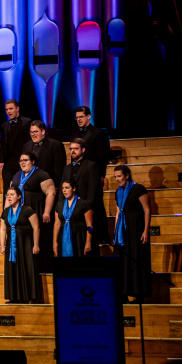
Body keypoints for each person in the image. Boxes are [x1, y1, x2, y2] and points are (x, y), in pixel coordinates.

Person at [112, 165, 152, 301]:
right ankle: (123, 293)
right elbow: (118, 212)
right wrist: (115, 232)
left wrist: (146, 230)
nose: (117, 179)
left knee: (136, 260)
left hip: (136, 230)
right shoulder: (118, 191)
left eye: (119, 176)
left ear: (127, 175)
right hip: (123, 232)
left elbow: (147, 209)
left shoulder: (138, 189)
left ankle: (139, 294)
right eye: (115, 177)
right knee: (122, 261)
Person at [11, 152, 55, 273]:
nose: (23, 163)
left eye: (25, 160)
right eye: (20, 161)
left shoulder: (41, 174)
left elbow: (51, 193)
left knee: (38, 245)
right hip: (19, 218)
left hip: (35, 215)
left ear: (33, 161)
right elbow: (9, 196)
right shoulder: (16, 176)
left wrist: (46, 212)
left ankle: (40, 271)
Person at [0, 187, 42, 304]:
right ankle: (14, 297)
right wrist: (2, 245)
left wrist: (36, 244)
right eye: (7, 195)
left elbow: (36, 227)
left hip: (25, 244)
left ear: (19, 196)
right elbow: (3, 229)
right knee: (12, 269)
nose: (9, 197)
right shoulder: (6, 211)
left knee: (27, 268)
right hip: (11, 246)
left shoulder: (27, 210)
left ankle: (31, 297)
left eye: (12, 194)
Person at [63, 138, 107, 243]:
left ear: (83, 150)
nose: (72, 151)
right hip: (70, 212)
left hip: (85, 210)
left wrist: (86, 207)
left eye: (76, 149)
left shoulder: (91, 166)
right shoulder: (67, 168)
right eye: (71, 149)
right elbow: (63, 187)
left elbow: (93, 191)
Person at [53, 180, 93, 259]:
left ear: (74, 189)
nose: (64, 190)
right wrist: (54, 242)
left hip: (79, 238)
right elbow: (57, 224)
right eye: (63, 188)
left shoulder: (83, 204)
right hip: (63, 238)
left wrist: (88, 242)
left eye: (67, 188)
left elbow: (90, 225)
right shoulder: (59, 204)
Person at [0, 100, 32, 193]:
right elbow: (3, 144)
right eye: (7, 109)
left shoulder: (27, 122)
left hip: (22, 161)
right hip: (8, 163)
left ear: (17, 109)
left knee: (22, 187)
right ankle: (6, 208)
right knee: (7, 189)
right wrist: (1, 161)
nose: (9, 111)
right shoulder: (4, 125)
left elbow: (29, 142)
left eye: (11, 109)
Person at [72, 105, 110, 183]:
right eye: (77, 117)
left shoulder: (98, 133)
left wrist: (102, 175)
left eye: (81, 117)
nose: (78, 119)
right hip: (78, 174)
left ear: (88, 116)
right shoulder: (75, 134)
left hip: (94, 174)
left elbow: (103, 156)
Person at [22, 120, 66, 188]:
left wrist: (56, 187)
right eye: (31, 132)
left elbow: (59, 170)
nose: (33, 134)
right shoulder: (27, 146)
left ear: (43, 132)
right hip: (31, 187)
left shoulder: (55, 145)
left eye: (36, 131)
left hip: (49, 186)